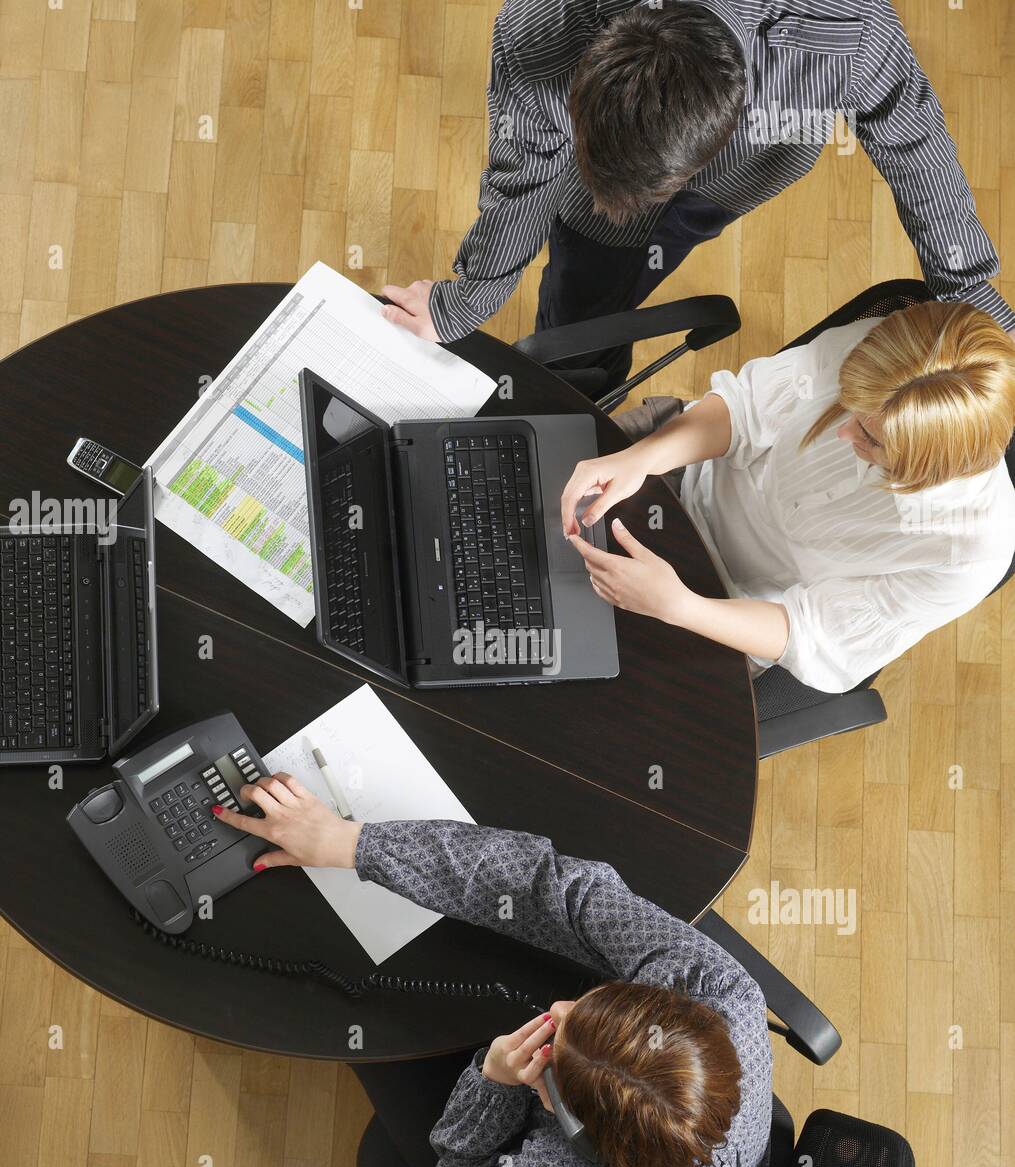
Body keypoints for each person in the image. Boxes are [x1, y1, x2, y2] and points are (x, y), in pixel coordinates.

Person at [212, 778, 773, 1167]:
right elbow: (556, 889)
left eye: (559, 1040)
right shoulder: (721, 992)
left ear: (567, 1123)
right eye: (590, 1003)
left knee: (362, 1031)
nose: (557, 1009)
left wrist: (494, 1083)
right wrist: (352, 844)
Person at [378, 0, 1015, 385]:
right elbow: (525, 169)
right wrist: (471, 297)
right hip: (594, 193)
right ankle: (580, 376)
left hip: (749, 169)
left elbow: (914, 138)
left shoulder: (845, 28)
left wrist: (969, 298)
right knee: (584, 289)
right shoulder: (541, 28)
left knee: (643, 260)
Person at [560, 301, 1015, 693]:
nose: (843, 432)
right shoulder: (889, 358)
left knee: (581, 691)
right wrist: (640, 459)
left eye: (871, 438)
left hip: (725, 609)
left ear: (925, 469)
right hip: (689, 468)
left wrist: (678, 605)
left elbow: (814, 636)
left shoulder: (968, 554)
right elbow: (744, 409)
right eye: (848, 405)